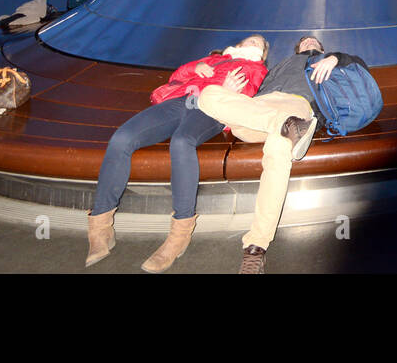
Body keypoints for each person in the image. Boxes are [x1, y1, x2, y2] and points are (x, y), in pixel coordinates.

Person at [84, 35, 270, 272]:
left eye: (259, 43)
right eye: (250, 40)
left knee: (182, 142)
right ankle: (100, 227)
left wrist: (227, 92)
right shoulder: (214, 59)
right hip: (180, 101)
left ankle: (179, 234)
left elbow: (249, 93)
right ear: (239, 44)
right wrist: (196, 66)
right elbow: (177, 76)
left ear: (262, 54)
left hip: (212, 108)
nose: (253, 43)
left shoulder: (255, 67)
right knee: (122, 138)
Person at [197, 35, 369, 274]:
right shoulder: (281, 64)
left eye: (314, 41)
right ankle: (286, 125)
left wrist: (334, 58)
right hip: (263, 107)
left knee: (278, 149)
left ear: (321, 47)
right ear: (297, 48)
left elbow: (359, 65)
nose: (310, 42)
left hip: (299, 105)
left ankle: (256, 247)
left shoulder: (326, 59)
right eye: (305, 41)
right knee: (207, 96)